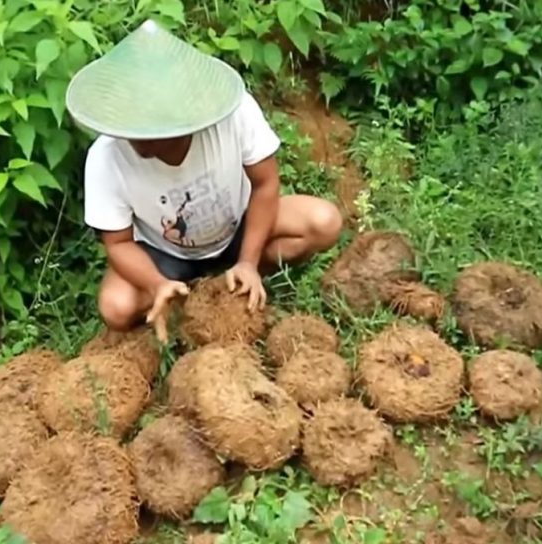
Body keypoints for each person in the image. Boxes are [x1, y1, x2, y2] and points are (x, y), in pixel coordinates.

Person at [65, 20, 342, 342]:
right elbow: (118, 243)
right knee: (117, 307)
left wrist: (249, 262)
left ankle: (242, 276)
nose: (134, 140)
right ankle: (181, 295)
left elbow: (265, 185)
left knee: (324, 222)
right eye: (129, 128)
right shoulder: (106, 156)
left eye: (148, 131)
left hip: (240, 226)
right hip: (165, 252)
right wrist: (156, 283)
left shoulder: (234, 114)